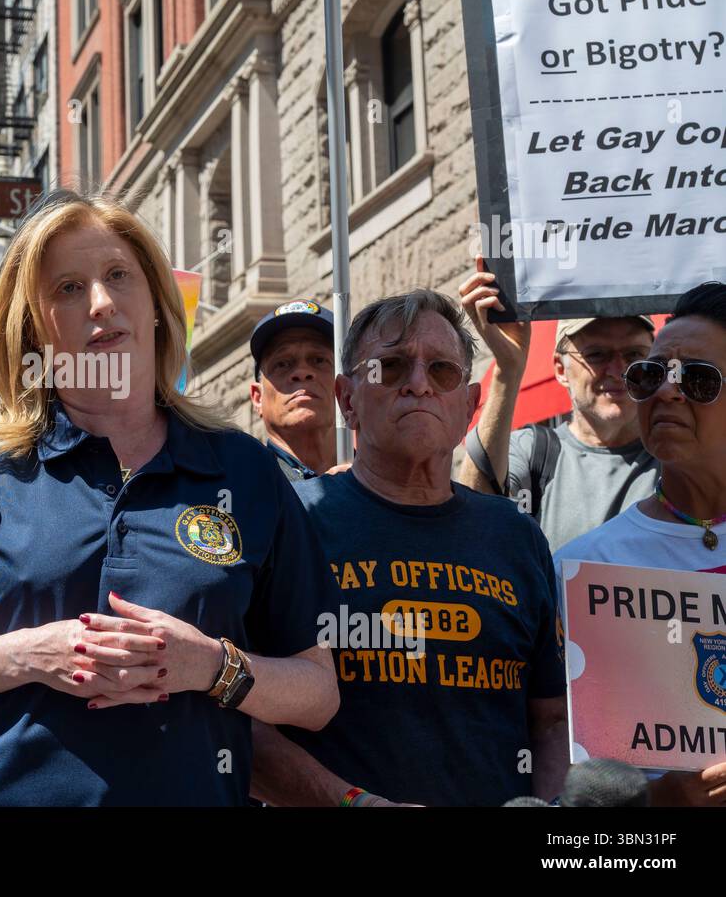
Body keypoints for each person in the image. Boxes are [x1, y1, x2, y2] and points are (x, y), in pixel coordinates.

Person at [0, 190, 341, 806]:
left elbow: (318, 695)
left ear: (158, 305)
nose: (102, 303)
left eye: (118, 277)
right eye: (68, 289)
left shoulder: (244, 470)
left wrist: (211, 666)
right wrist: (29, 654)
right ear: (34, 327)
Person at [253, 289, 569, 807]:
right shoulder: (288, 525)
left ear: (468, 406)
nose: (418, 385)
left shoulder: (516, 536)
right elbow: (239, 720)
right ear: (348, 398)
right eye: (392, 368)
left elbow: (552, 720)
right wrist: (352, 803)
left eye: (442, 371)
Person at [556, 282, 726, 807]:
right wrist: (662, 801)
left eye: (697, 379)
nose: (666, 393)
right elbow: (562, 771)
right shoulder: (582, 568)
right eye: (650, 375)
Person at [457, 258, 657, 549]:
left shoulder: (680, 456)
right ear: (561, 369)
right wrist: (508, 368)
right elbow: (470, 517)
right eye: (597, 355)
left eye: (634, 354)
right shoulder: (532, 452)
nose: (618, 370)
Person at [249, 300, 337, 481]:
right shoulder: (241, 488)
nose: (302, 372)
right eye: (282, 364)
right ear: (258, 398)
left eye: (319, 360)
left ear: (347, 389)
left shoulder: (386, 482)